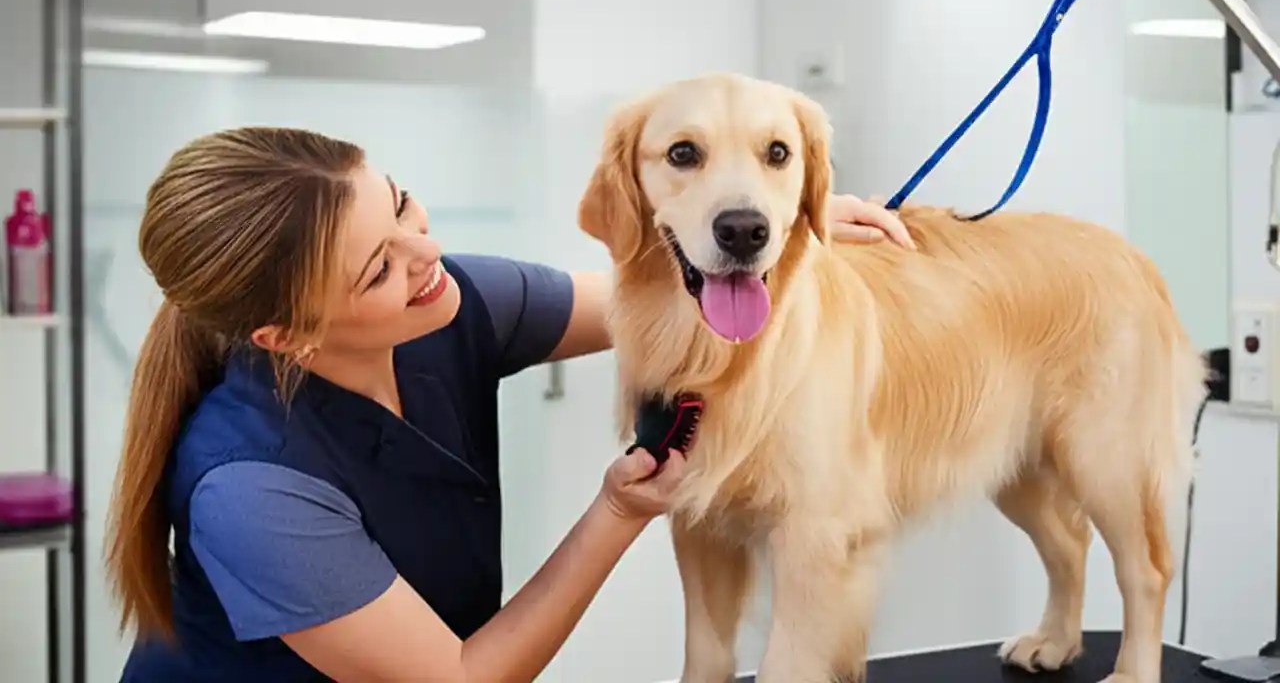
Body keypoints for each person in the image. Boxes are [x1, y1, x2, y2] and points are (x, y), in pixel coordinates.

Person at [106, 126, 915, 682]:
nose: (425, 252)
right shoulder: (253, 489)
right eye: (377, 270)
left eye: (400, 204)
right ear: (286, 336)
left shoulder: (445, 298)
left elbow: (651, 302)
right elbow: (460, 677)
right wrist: (616, 513)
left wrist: (773, 238)